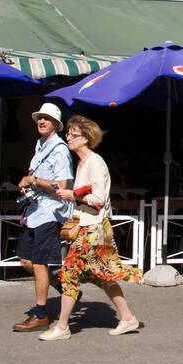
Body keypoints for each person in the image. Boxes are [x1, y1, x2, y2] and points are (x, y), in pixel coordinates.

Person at [39, 115, 143, 341]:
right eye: (68, 133)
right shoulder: (83, 163)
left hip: (93, 229)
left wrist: (72, 195)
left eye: (73, 134)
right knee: (103, 277)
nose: (68, 137)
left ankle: (63, 326)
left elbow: (98, 199)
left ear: (86, 138)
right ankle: (127, 318)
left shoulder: (95, 162)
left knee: (70, 273)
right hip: (89, 226)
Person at [13, 102, 73, 333]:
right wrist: (26, 180)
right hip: (34, 212)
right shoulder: (40, 145)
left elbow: (63, 186)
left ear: (56, 124)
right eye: (39, 117)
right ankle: (66, 287)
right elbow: (34, 173)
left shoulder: (60, 149)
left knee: (39, 263)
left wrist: (35, 181)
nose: (41, 121)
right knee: (26, 261)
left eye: (47, 119)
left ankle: (40, 315)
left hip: (49, 212)